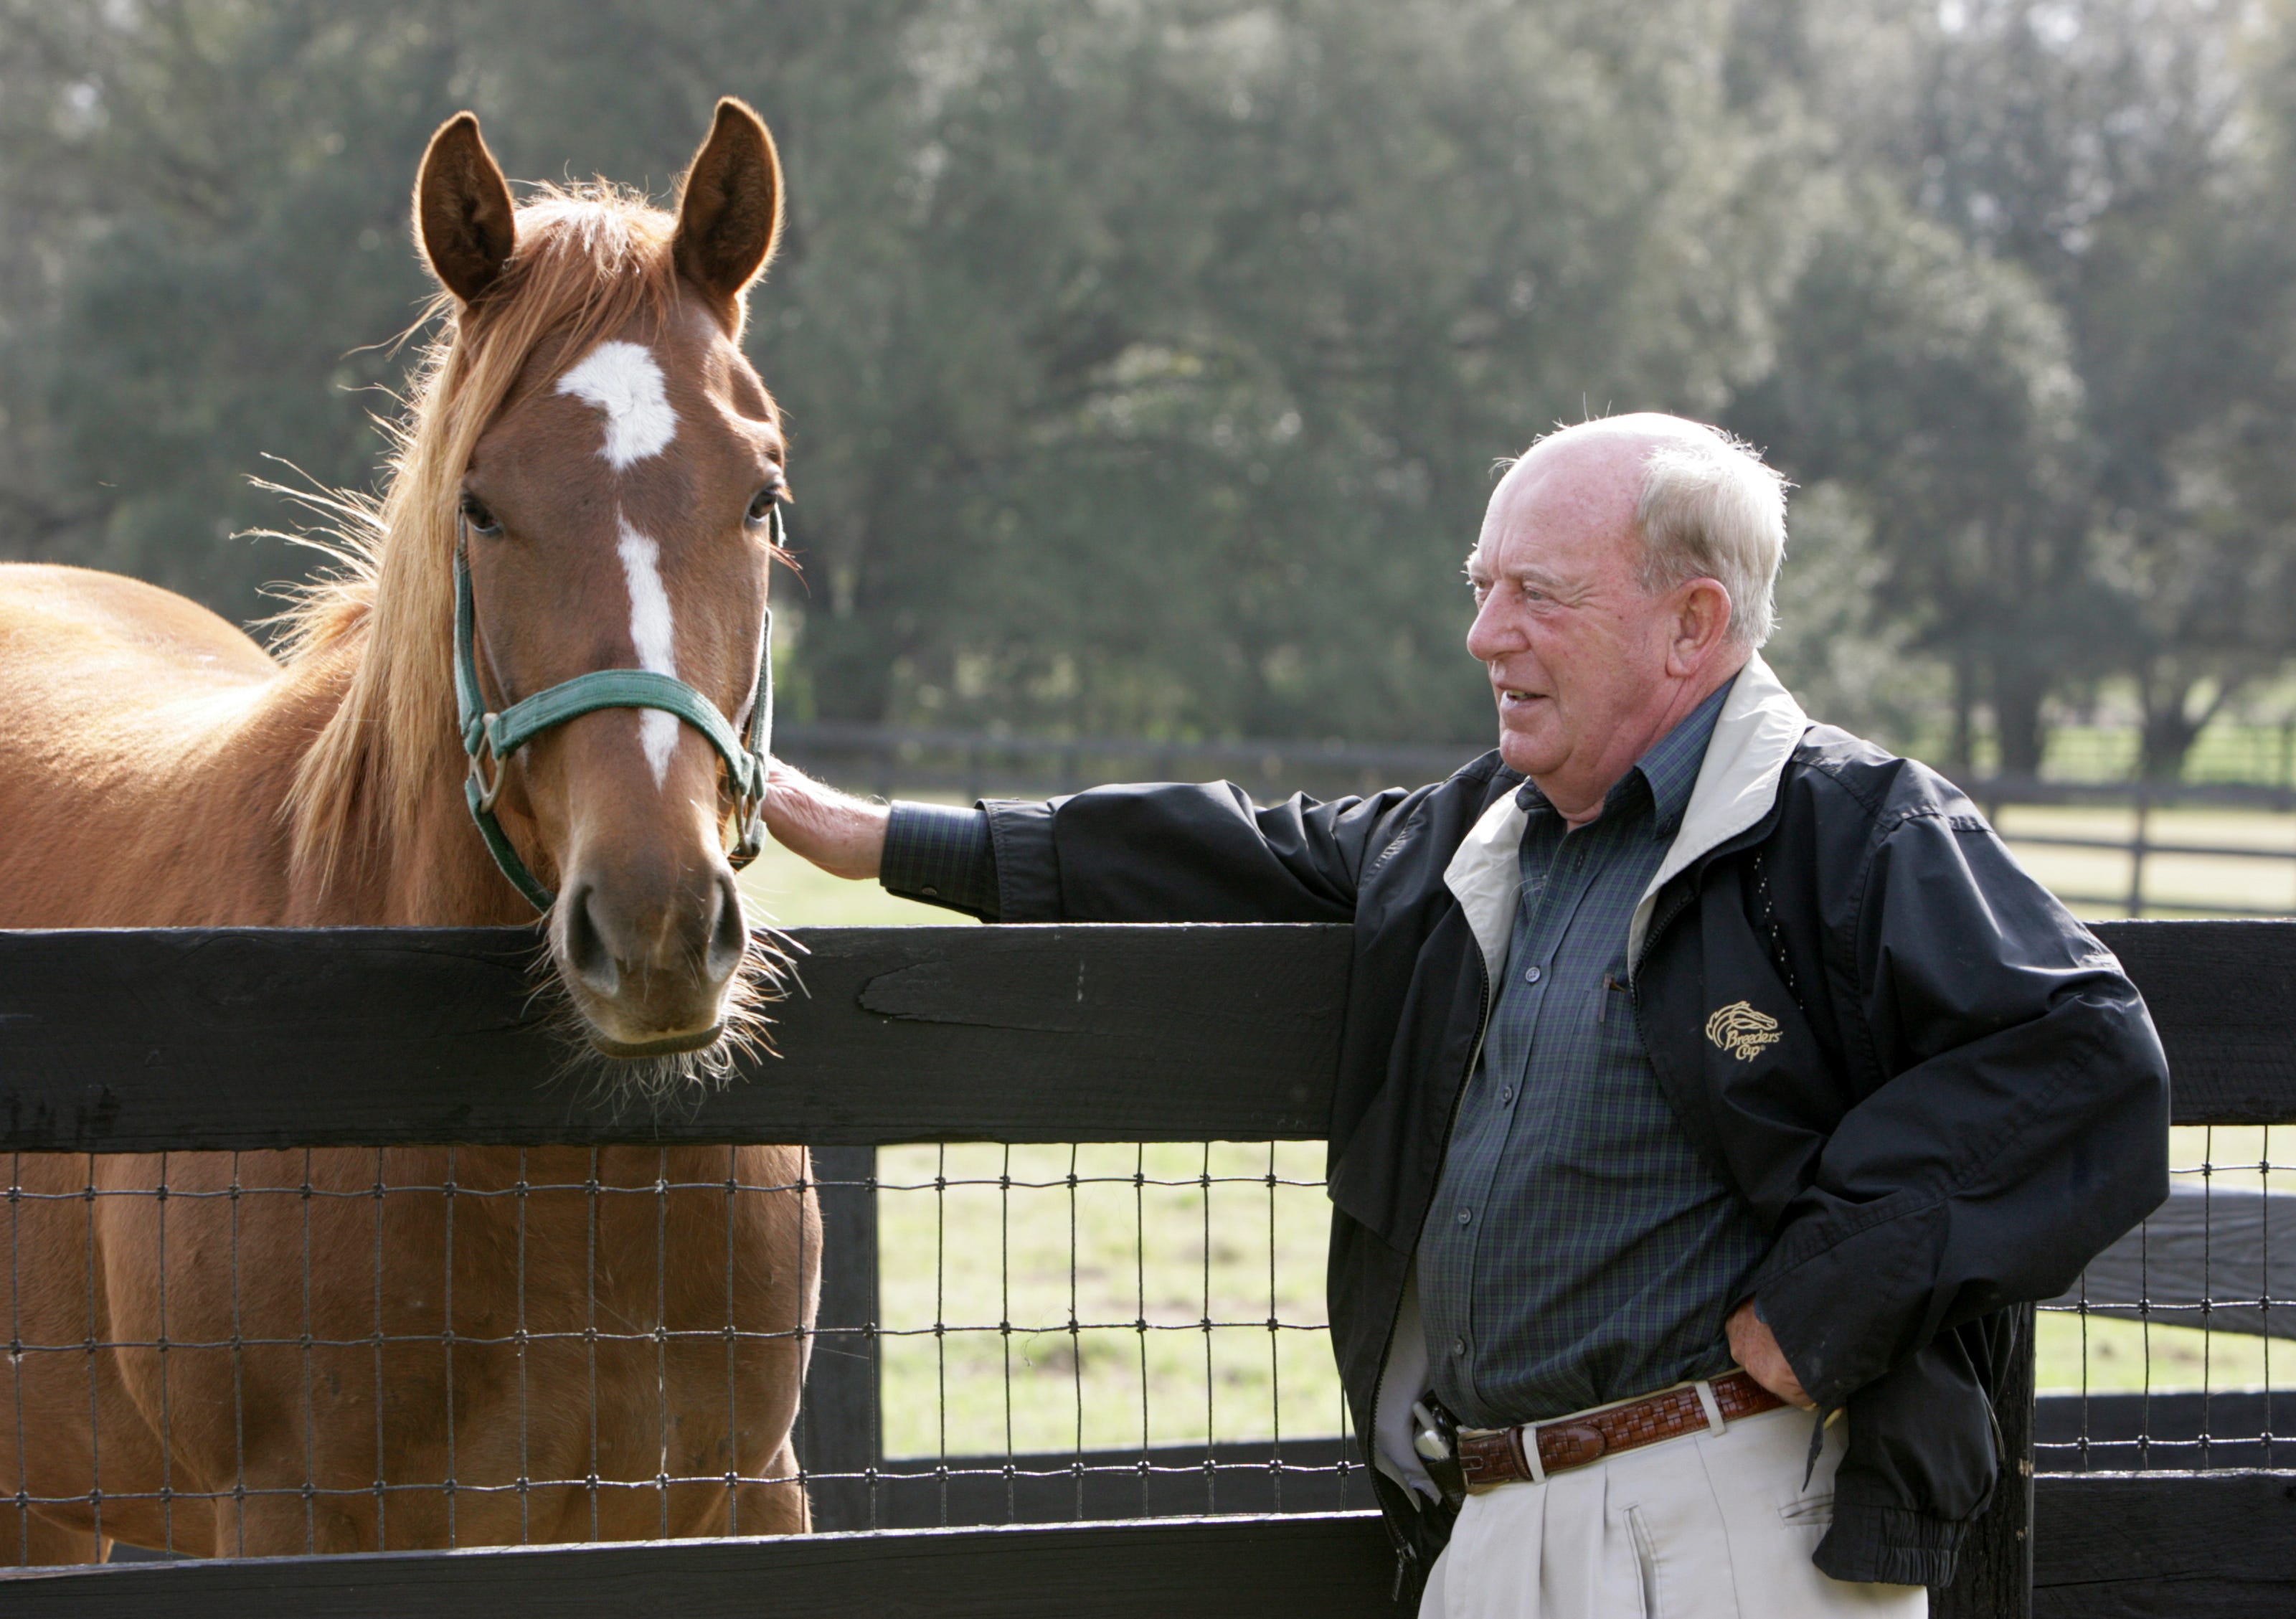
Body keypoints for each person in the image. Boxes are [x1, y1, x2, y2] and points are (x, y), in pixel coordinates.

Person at [760, 414, 2169, 1615]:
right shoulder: (1462, 834)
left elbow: (2079, 1063)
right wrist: (876, 838)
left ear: (1692, 623)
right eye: (1482, 586)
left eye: (1536, 594)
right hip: (1484, 1523)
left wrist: (1824, 1303)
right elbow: (1208, 849)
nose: (1482, 633)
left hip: (1737, 1511)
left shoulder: (1846, 828)